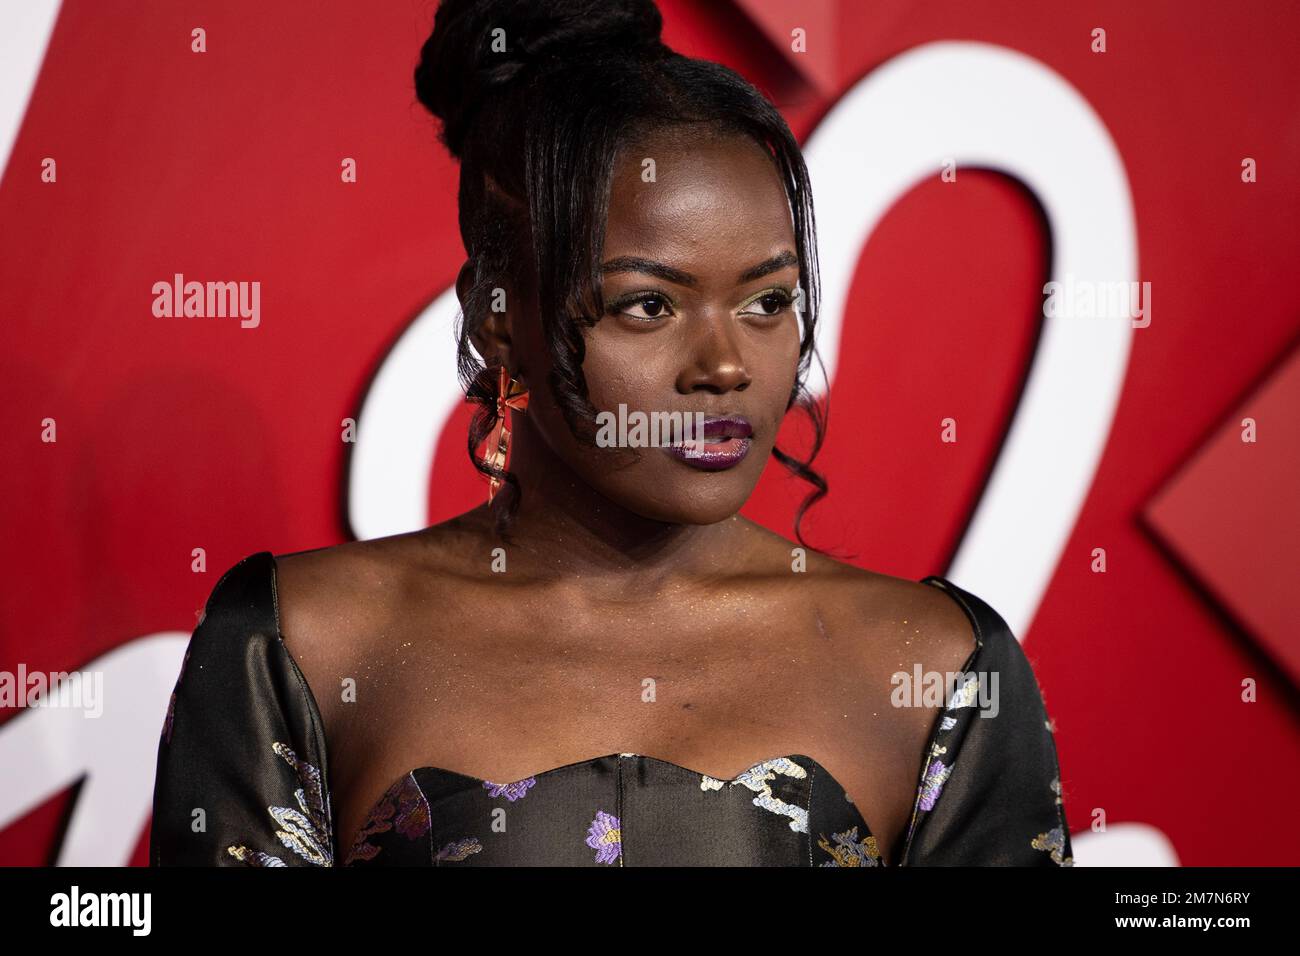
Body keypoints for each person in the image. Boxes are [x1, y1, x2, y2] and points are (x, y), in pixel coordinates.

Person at [150, 0, 1072, 868]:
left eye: (767, 300)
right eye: (648, 304)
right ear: (497, 317)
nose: (724, 365)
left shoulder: (940, 668)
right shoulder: (299, 647)